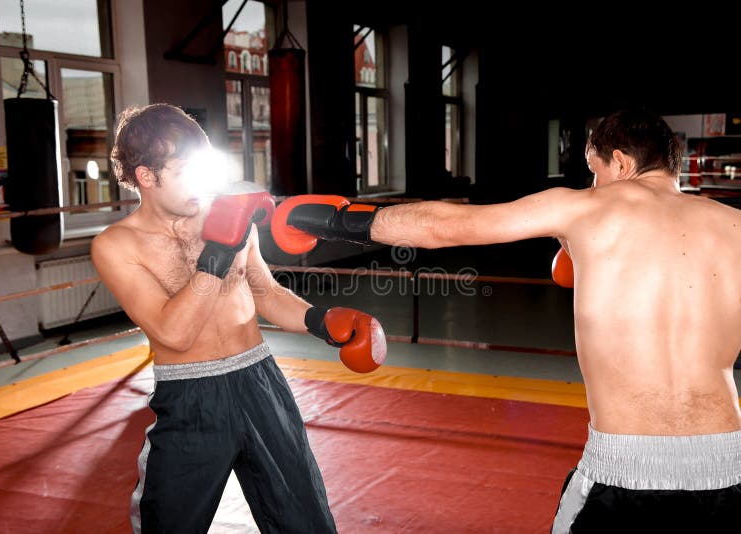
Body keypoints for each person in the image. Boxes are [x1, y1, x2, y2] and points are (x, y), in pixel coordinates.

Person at [271, 107, 741, 532]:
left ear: (619, 162)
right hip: (729, 463)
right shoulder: (734, 225)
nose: (591, 183)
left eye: (593, 170)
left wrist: (338, 220)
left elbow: (444, 227)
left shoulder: (586, 207)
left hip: (625, 467)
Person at [91, 103, 386, 533]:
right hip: (190, 398)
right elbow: (174, 331)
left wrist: (321, 320)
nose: (199, 182)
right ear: (146, 177)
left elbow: (265, 292)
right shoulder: (117, 246)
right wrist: (217, 254)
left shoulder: (227, 213)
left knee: (308, 524)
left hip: (260, 381)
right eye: (184, 171)